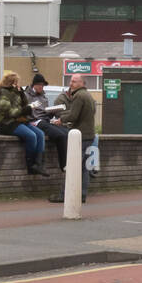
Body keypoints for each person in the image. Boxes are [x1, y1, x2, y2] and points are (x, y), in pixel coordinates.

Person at [48, 73, 97, 203]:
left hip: (80, 136)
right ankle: (82, 195)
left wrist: (60, 119)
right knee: (84, 168)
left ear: (82, 83)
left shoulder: (79, 96)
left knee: (72, 167)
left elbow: (74, 115)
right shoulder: (88, 95)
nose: (71, 84)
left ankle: (64, 195)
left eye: (74, 81)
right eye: (71, 81)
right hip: (89, 135)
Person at [0, 71, 47, 175]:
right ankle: (30, 165)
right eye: (17, 82)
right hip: (5, 124)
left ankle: (39, 164)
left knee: (40, 134)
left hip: (18, 121)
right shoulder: (1, 94)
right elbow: (10, 113)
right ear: (11, 83)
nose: (18, 84)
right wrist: (27, 109)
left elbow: (24, 105)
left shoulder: (15, 92)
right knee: (31, 136)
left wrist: (21, 93)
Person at [26, 74, 68, 171]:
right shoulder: (26, 96)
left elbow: (45, 113)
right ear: (34, 85)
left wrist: (51, 112)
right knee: (60, 135)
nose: (42, 87)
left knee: (66, 133)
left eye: (43, 85)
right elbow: (26, 112)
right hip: (35, 122)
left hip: (45, 120)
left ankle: (69, 161)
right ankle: (64, 165)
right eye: (40, 85)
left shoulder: (44, 97)